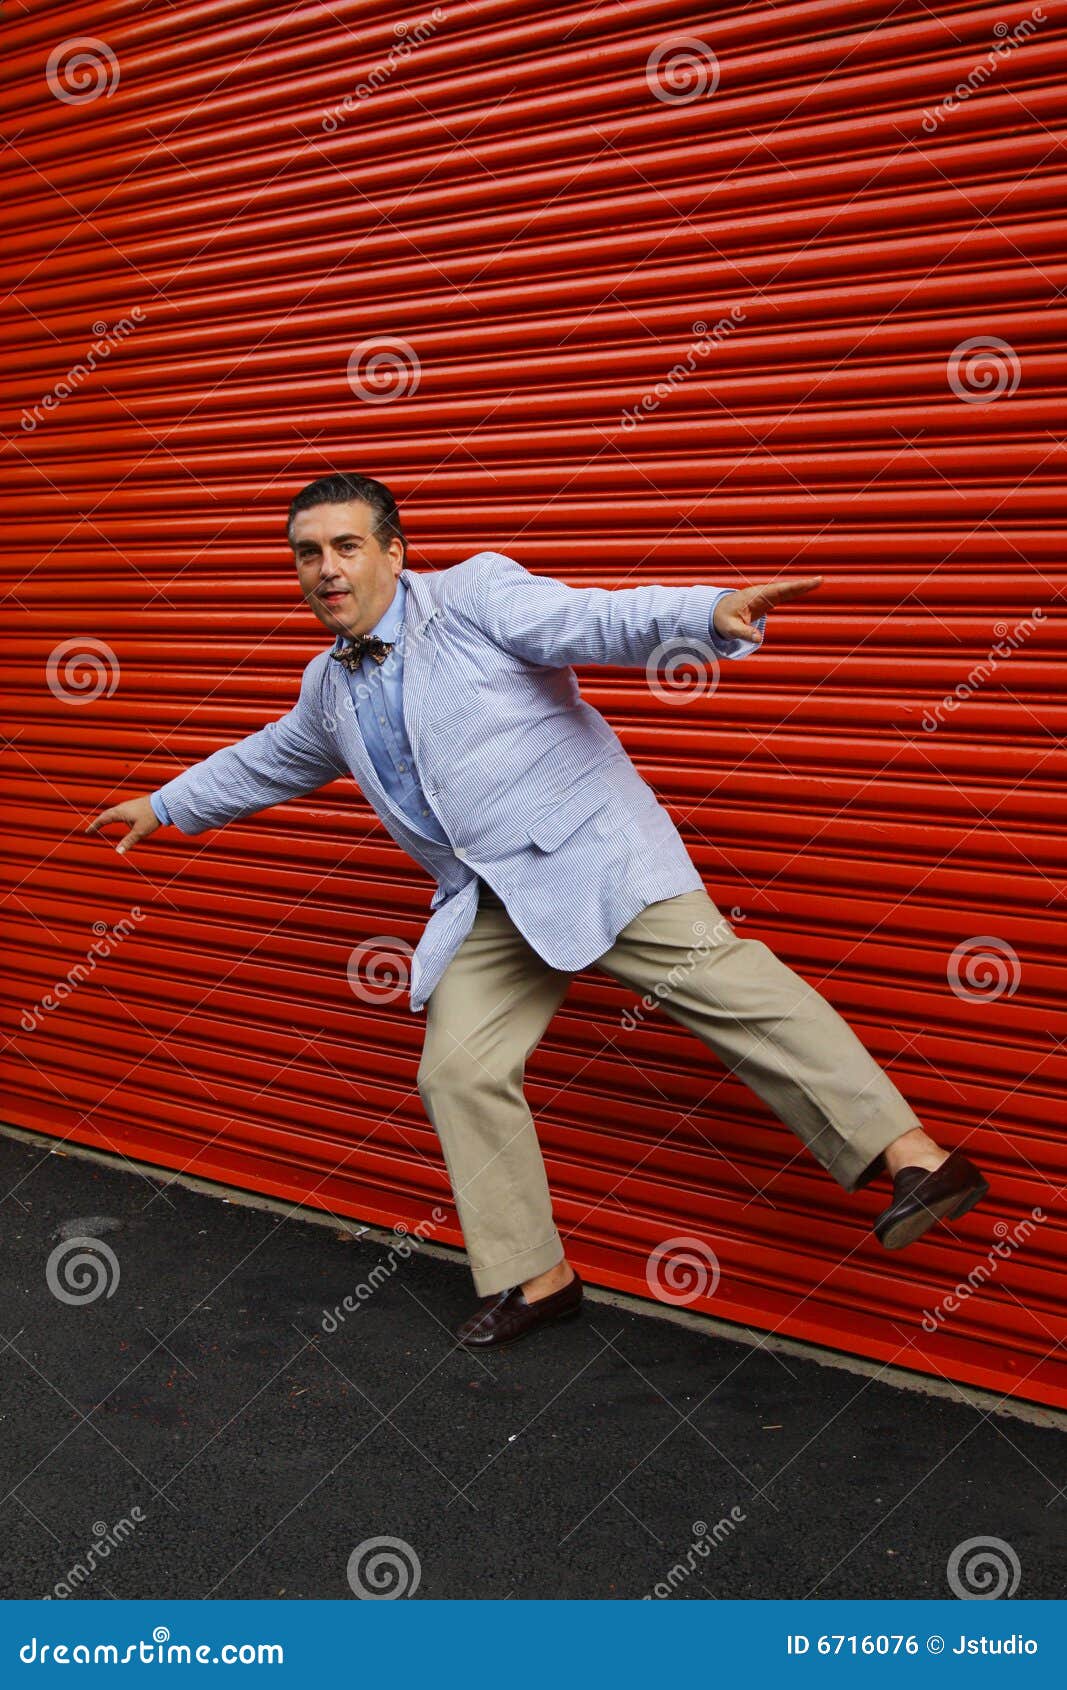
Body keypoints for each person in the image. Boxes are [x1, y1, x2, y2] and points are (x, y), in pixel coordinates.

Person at [87, 473, 989, 1348]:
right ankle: (537, 1277)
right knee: (457, 1072)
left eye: (347, 546)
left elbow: (586, 619)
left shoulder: (475, 595)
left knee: (732, 986)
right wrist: (164, 806)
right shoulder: (329, 684)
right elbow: (270, 759)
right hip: (486, 897)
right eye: (307, 553)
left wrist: (701, 614)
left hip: (591, 853)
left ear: (394, 554)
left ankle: (914, 1158)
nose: (326, 568)